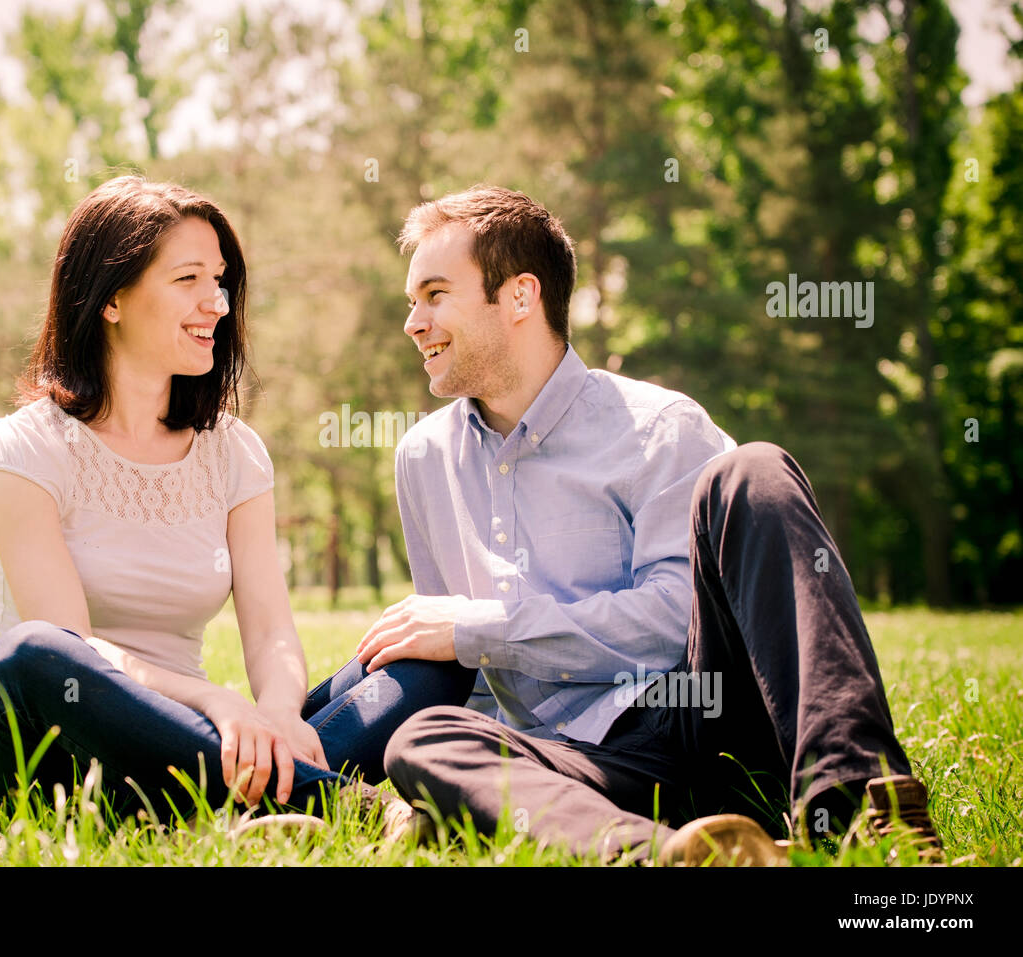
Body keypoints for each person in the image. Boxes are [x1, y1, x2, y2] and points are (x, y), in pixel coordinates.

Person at [361, 184, 941, 864]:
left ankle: (859, 805)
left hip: (705, 723)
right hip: (580, 767)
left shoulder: (661, 428)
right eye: (411, 301)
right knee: (427, 739)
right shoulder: (423, 459)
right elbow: (467, 675)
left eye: (434, 294)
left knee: (753, 471)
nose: (413, 322)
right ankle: (677, 856)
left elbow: (671, 620)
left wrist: (478, 628)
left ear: (519, 296)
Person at [0, 177, 475, 836]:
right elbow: (77, 645)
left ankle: (252, 796)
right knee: (34, 654)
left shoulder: (233, 451)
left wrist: (277, 713)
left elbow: (269, 630)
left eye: (220, 279)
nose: (216, 301)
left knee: (434, 650)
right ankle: (340, 807)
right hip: (75, 757)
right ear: (112, 297)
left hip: (208, 745)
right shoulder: (27, 449)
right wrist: (217, 701)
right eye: (189, 279)